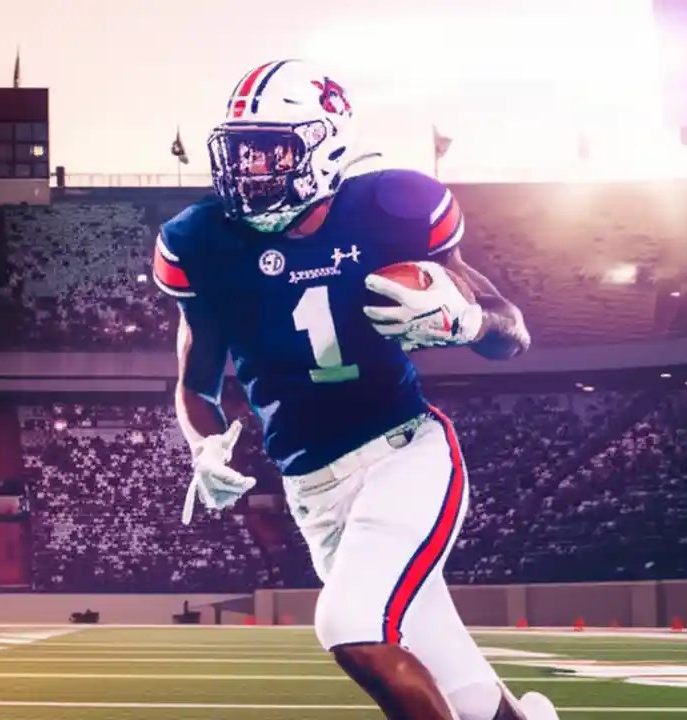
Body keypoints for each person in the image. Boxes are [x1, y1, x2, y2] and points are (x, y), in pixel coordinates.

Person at [154, 59, 556, 720]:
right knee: (463, 684)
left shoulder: (391, 210)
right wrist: (203, 446)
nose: (251, 168)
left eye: (272, 150)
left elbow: (511, 331)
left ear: (325, 143)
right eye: (242, 151)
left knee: (351, 624)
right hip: (311, 489)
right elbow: (196, 384)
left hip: (403, 455)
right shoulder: (201, 242)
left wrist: (473, 321)